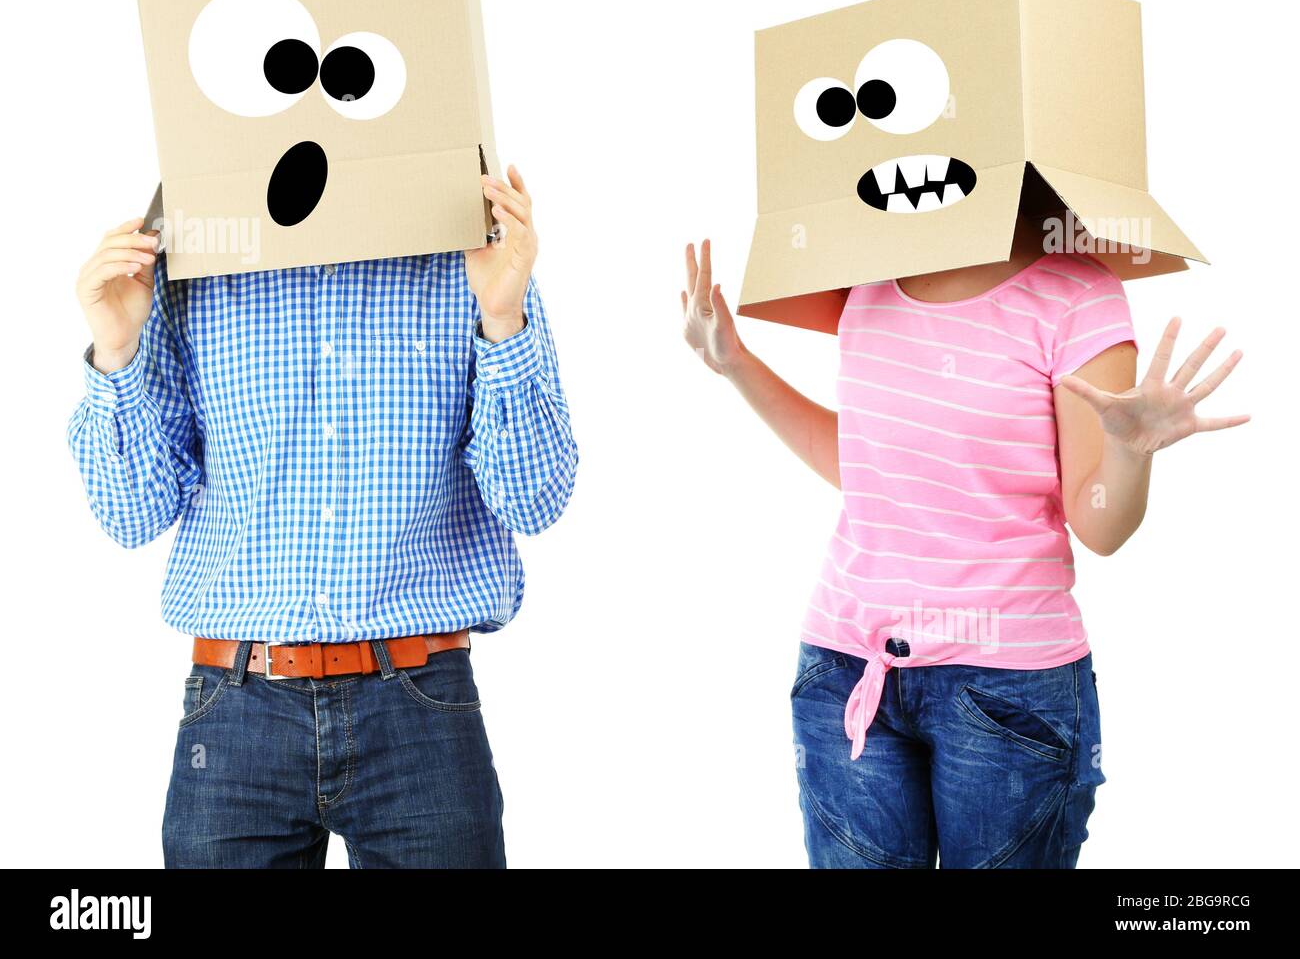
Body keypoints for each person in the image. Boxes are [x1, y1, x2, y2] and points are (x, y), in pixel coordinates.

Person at [680, 201, 1247, 869]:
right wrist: (735, 362)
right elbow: (865, 464)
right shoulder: (870, 282)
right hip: (848, 669)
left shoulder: (1076, 292)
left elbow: (1099, 525)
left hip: (1005, 687)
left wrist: (1130, 452)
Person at [69, 167, 577, 868]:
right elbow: (131, 514)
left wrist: (501, 315)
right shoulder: (197, 259)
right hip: (238, 704)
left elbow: (536, 497)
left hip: (420, 703)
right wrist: (117, 348)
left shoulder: (469, 257)